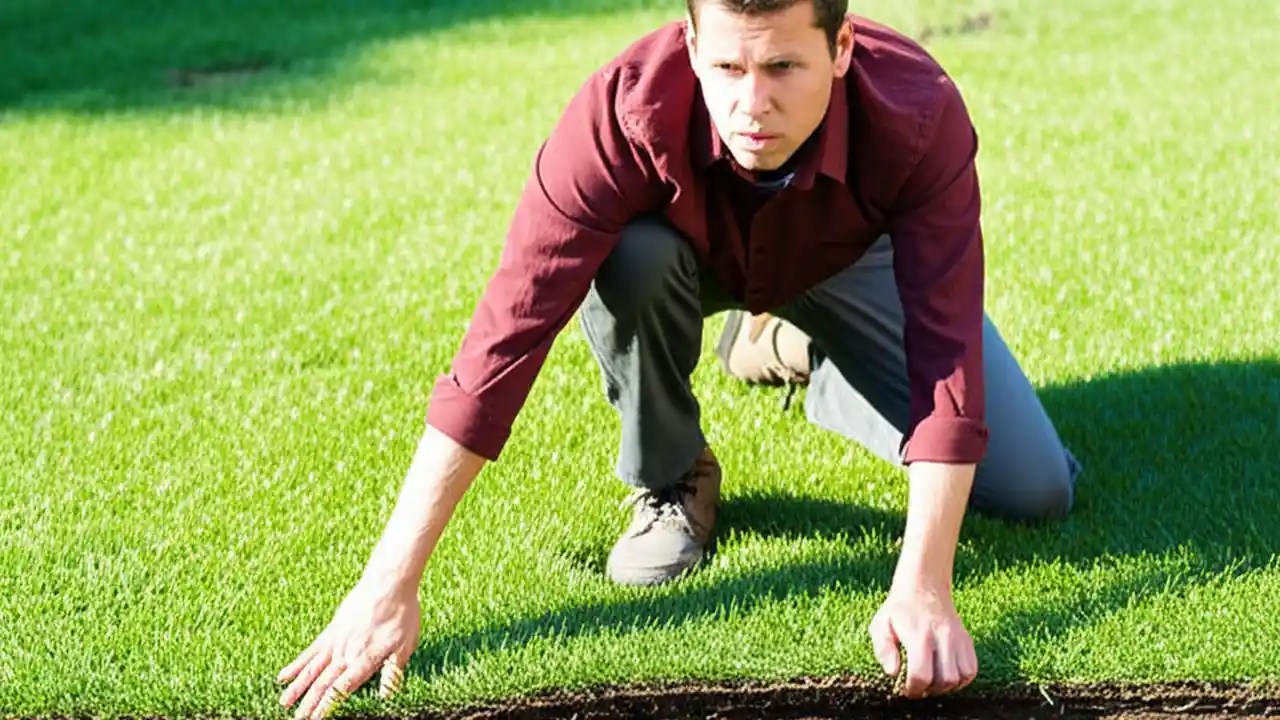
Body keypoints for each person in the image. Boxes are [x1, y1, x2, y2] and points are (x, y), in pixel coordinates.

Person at [276, 1, 1083, 716]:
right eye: (726, 66)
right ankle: (672, 478)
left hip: (845, 262)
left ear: (841, 48)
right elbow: (498, 352)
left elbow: (945, 345)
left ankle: (799, 350)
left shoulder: (918, 111)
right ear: (691, 42)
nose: (750, 103)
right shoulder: (617, 115)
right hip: (678, 263)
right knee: (629, 259)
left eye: (783, 67)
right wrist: (390, 584)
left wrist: (925, 583)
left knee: (1036, 488)